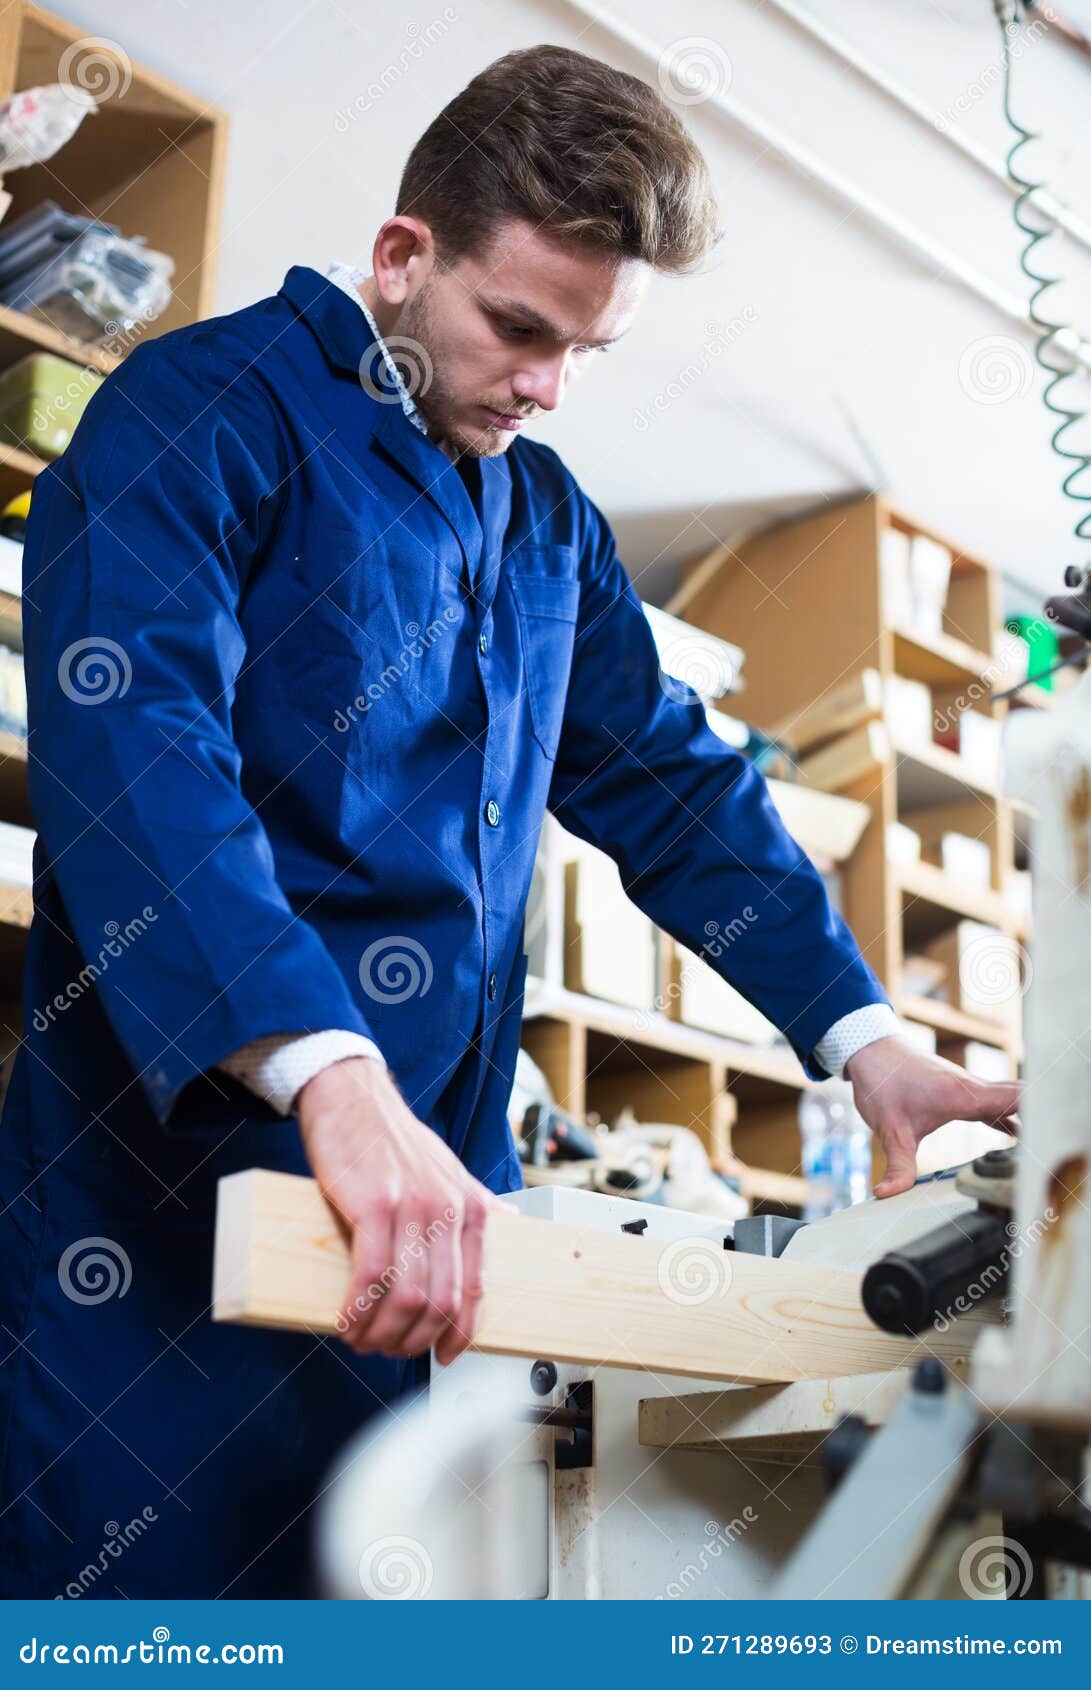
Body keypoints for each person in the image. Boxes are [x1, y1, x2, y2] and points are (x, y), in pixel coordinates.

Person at [0, 44, 1020, 1599]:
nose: (543, 385)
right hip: (156, 1249)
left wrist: (863, 1035)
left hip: (426, 1267)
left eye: (582, 353)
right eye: (518, 327)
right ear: (402, 258)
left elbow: (680, 787)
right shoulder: (198, 418)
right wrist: (330, 1075)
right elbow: (138, 750)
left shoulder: (546, 526)